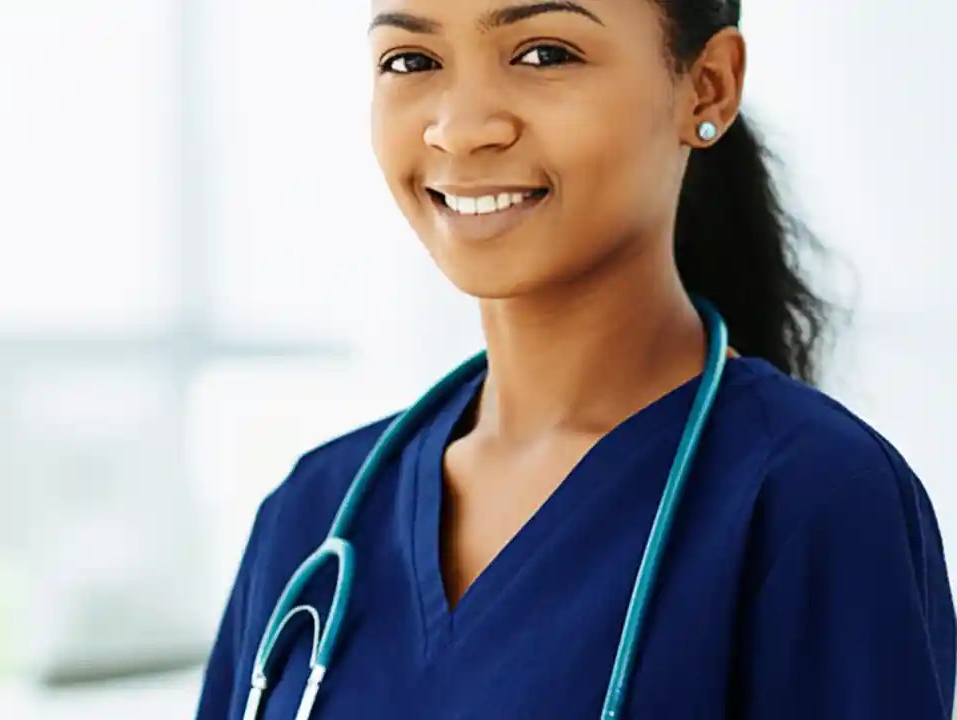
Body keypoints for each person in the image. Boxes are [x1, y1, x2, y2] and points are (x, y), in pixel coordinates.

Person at [195, 0, 956, 716]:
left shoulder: (813, 498)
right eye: (411, 61)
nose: (460, 129)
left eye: (543, 53)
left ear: (708, 87)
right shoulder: (311, 514)